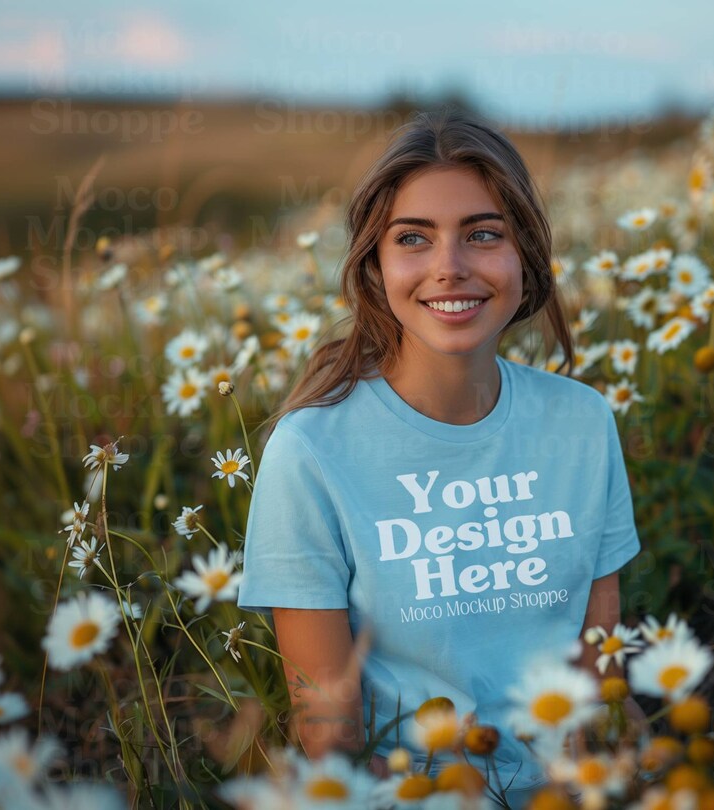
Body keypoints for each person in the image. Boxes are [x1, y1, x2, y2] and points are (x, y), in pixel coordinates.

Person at [236, 107, 641, 809]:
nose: (449, 268)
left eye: (483, 234)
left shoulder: (582, 423)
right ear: (375, 266)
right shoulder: (310, 453)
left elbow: (599, 674)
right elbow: (330, 733)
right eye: (413, 239)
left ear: (525, 257)